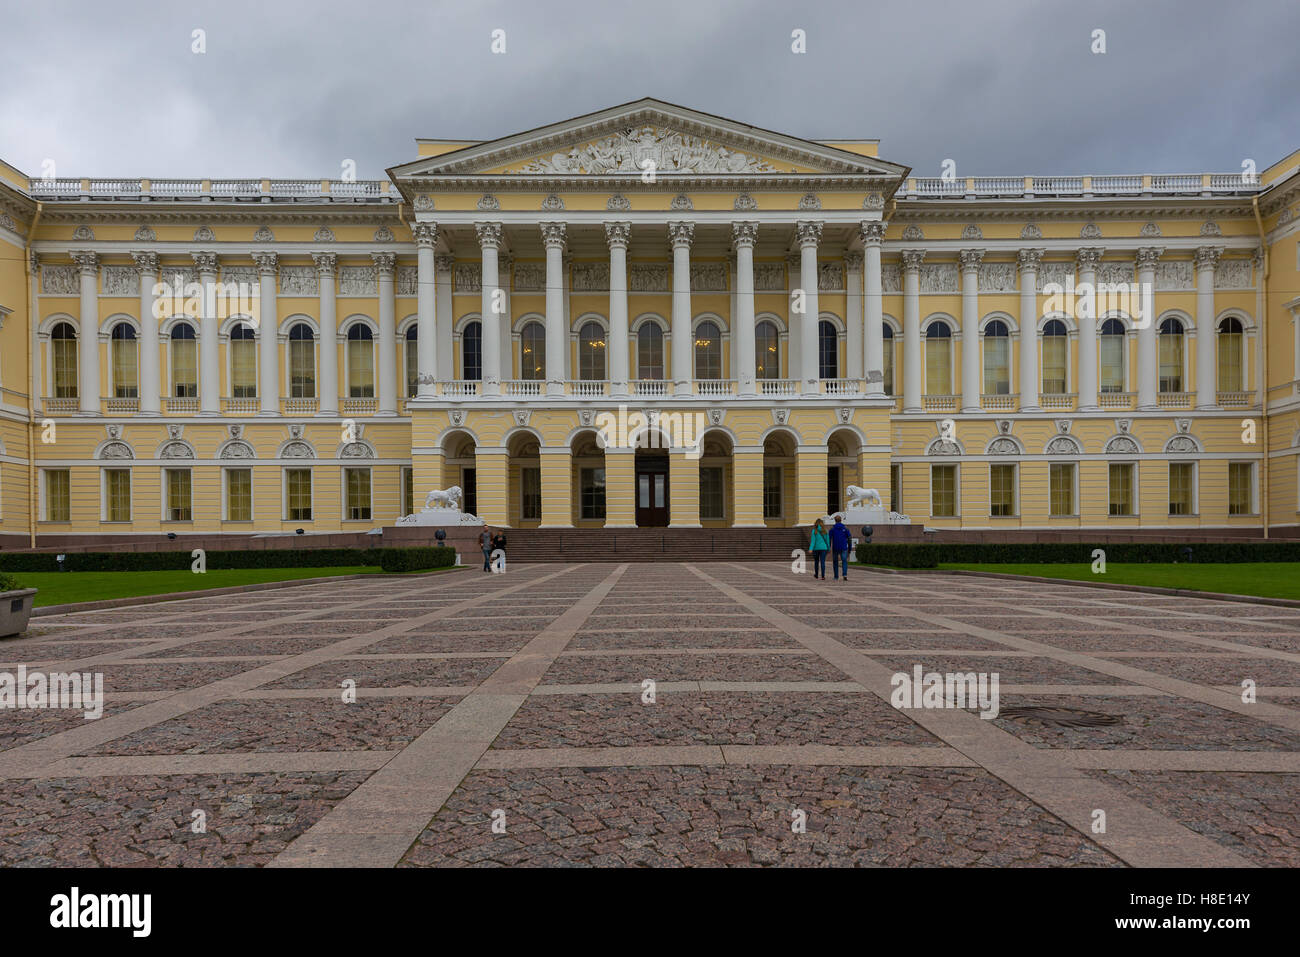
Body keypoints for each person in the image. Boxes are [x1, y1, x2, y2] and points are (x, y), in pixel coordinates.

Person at [830, 514, 852, 582]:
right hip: (844, 547)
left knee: (835, 562)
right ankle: (844, 574)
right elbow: (849, 538)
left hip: (835, 547)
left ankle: (836, 576)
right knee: (844, 561)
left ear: (835, 521)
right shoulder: (845, 529)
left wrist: (828, 547)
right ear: (841, 520)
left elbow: (829, 539)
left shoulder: (832, 529)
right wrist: (850, 548)